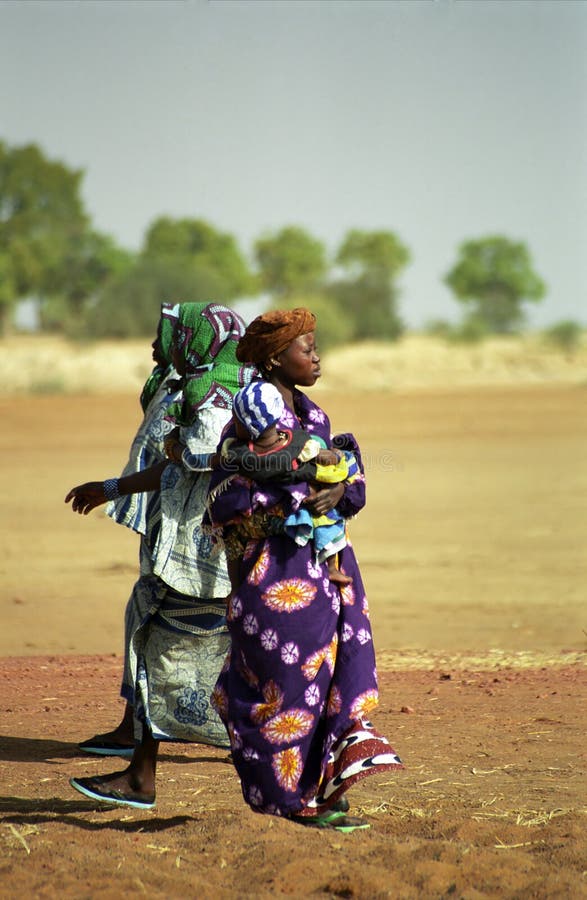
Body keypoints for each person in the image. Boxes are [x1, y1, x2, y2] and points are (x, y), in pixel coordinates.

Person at [206, 307, 403, 833]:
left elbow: (350, 481)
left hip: (328, 570)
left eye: (316, 345)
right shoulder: (244, 428)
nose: (316, 356)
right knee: (286, 686)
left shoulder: (317, 420)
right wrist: (287, 501)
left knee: (330, 679)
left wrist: (339, 490)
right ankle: (288, 801)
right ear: (275, 358)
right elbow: (222, 500)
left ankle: (319, 793)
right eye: (305, 347)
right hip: (272, 576)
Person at [65, 302, 254, 809]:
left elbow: (194, 463)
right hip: (193, 544)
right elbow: (177, 463)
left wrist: (124, 480)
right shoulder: (197, 387)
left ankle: (144, 776)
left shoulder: (214, 398)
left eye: (166, 337)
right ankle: (149, 757)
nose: (156, 347)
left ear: (197, 340)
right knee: (160, 636)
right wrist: (120, 484)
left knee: (167, 648)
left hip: (201, 551)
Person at [79, 301, 182, 757]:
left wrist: (111, 487)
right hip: (169, 522)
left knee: (151, 618)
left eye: (164, 335)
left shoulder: (197, 393)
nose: (154, 344)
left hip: (184, 528)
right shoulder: (177, 384)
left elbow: (177, 464)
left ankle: (136, 733)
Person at [220, 380, 360, 586]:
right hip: (280, 559)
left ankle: (234, 588)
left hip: (261, 569)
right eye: (307, 351)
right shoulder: (296, 442)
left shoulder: (239, 453)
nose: (315, 359)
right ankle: (331, 566)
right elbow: (321, 458)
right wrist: (328, 464)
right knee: (331, 520)